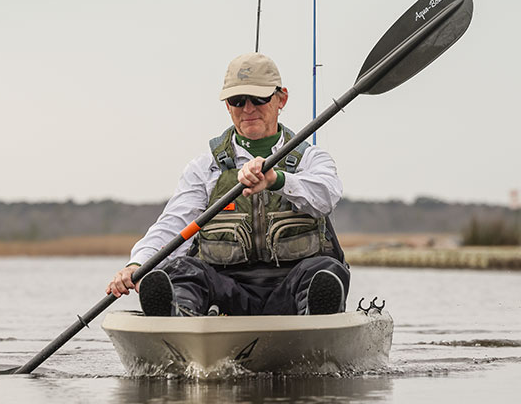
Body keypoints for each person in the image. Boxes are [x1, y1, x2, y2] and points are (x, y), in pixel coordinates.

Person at [106, 52, 349, 316]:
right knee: (182, 271)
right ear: (227, 106)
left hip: (291, 288)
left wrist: (276, 179)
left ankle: (316, 317)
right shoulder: (204, 168)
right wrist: (138, 263)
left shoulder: (311, 158)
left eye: (259, 98)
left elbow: (327, 196)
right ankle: (179, 314)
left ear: (282, 99)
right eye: (237, 100)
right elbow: (173, 225)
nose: (248, 108)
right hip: (228, 293)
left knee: (326, 268)